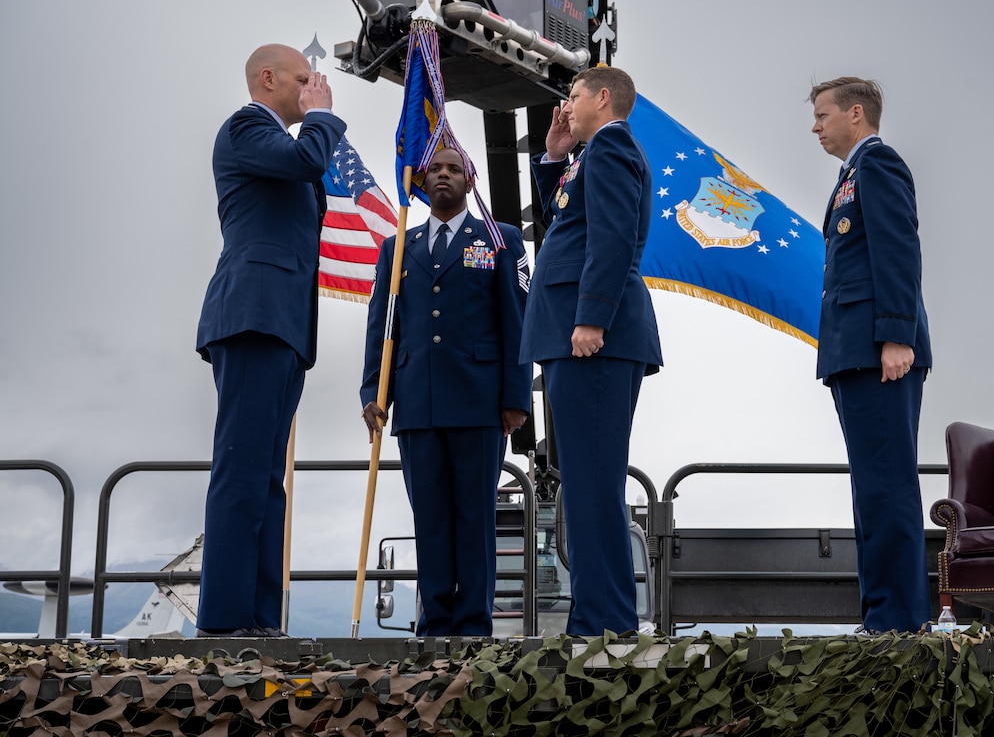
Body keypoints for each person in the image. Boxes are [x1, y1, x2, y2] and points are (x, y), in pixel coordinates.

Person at [194, 44, 346, 638]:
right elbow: (309, 161)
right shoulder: (246, 126)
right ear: (268, 78)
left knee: (266, 477)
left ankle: (259, 617)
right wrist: (323, 116)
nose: (312, 87)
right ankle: (224, 620)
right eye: (303, 80)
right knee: (241, 468)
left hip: (282, 324)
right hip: (253, 315)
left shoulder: (277, 141)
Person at [360, 147, 532, 637]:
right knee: (430, 518)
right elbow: (383, 324)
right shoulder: (397, 248)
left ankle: (474, 624)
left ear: (469, 179)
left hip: (480, 402)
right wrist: (375, 390)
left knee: (474, 519)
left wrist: (516, 398)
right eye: (435, 168)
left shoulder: (503, 240)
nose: (443, 175)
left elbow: (517, 322)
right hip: (416, 402)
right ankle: (435, 622)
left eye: (454, 169)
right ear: (421, 180)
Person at [521, 66, 663, 635]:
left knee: (594, 480)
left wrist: (590, 318)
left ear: (603, 98)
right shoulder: (591, 154)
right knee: (583, 479)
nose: (567, 106)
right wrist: (556, 157)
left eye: (574, 96)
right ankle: (598, 612)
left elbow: (610, 236)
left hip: (592, 339)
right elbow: (567, 224)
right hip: (576, 335)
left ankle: (605, 619)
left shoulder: (612, 148)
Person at [807, 77, 933, 635]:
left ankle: (900, 620)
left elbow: (898, 250)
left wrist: (897, 336)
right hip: (853, 351)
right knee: (870, 487)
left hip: (881, 351)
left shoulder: (878, 166)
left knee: (888, 485)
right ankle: (882, 614)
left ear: (855, 114)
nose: (815, 125)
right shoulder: (850, 177)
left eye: (822, 114)